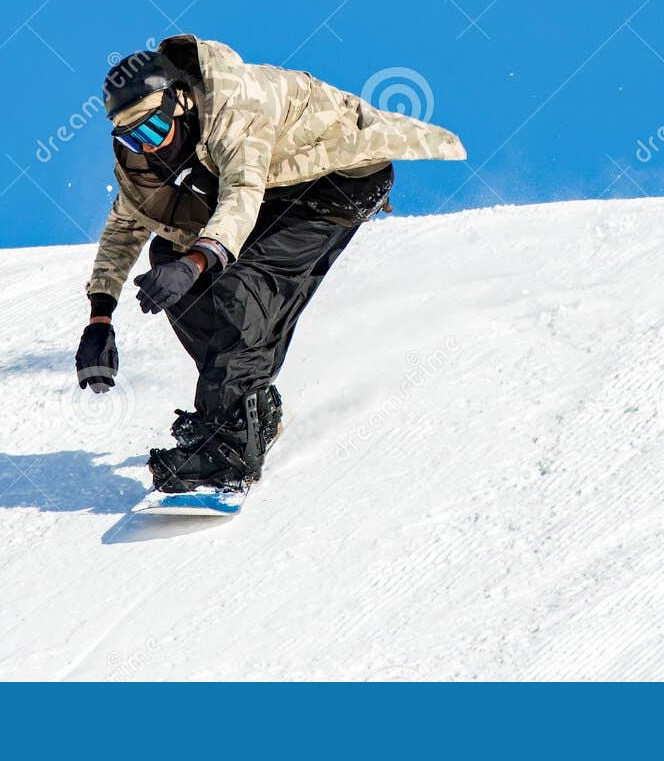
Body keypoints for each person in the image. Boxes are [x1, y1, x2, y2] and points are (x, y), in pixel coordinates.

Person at [74, 35, 466, 493]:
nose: (148, 147)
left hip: (336, 180)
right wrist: (100, 318)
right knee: (169, 256)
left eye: (154, 129)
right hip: (277, 190)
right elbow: (125, 226)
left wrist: (198, 261)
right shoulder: (143, 158)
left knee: (242, 283)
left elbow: (241, 194)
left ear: (180, 102)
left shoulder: (235, 106)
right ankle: (248, 406)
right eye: (132, 137)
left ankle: (230, 447)